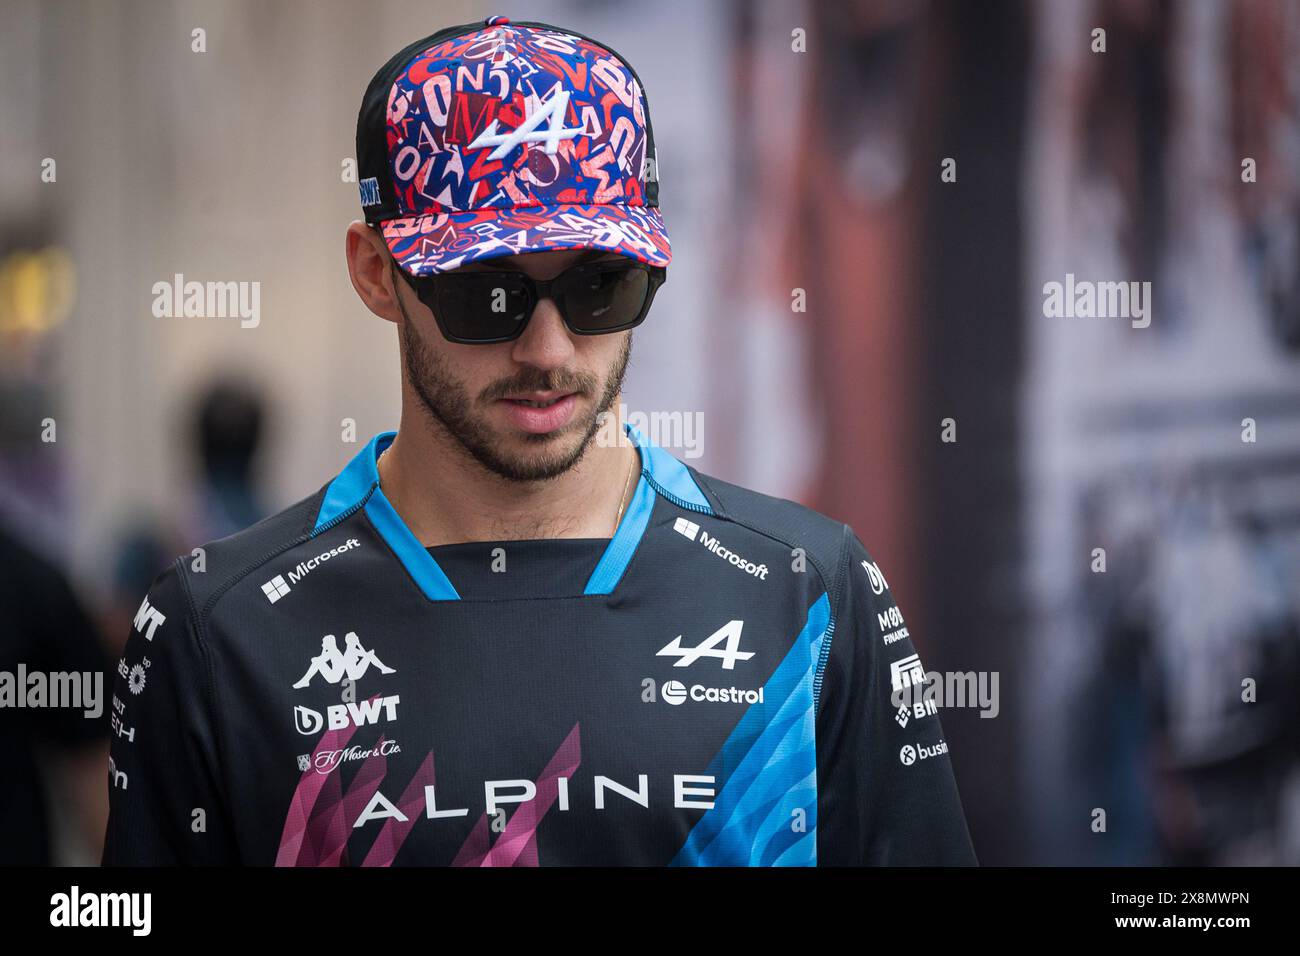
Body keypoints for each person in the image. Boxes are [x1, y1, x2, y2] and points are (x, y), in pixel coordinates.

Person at [102, 16, 976, 866]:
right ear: (377, 274)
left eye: (602, 287)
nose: (548, 351)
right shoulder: (220, 630)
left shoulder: (807, 595)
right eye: (489, 293)